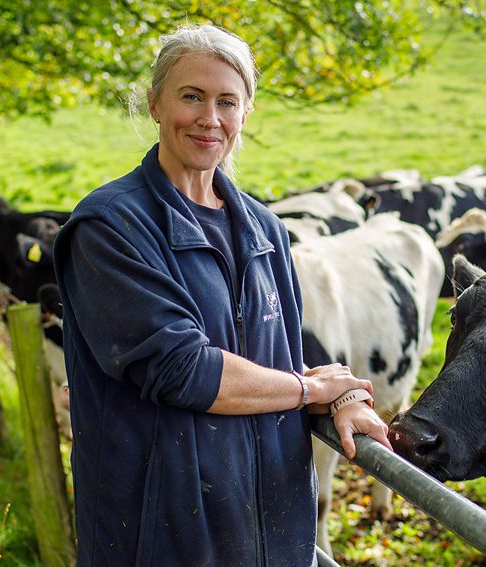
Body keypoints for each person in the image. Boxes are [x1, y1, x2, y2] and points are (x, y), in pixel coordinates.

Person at [52, 23, 392, 566]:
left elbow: (271, 366)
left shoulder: (265, 229)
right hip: (160, 537)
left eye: (227, 102)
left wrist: (341, 396)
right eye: (192, 96)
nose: (209, 118)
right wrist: (309, 389)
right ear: (155, 103)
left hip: (270, 532)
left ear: (245, 113)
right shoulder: (110, 228)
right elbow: (181, 369)